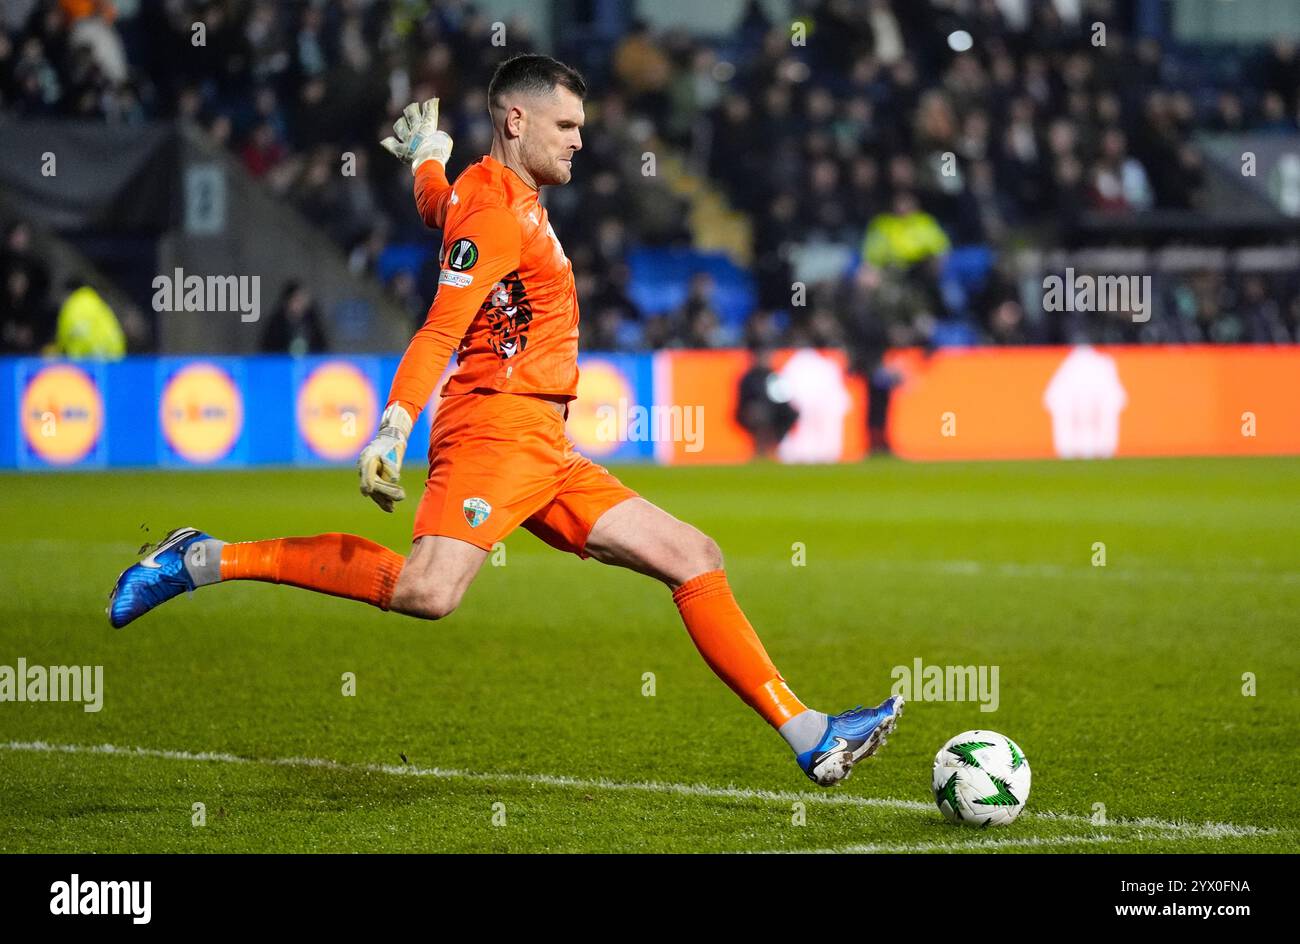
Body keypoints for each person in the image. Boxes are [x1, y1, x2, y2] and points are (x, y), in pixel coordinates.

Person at [107, 55, 900, 787]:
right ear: (516, 121)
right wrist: (391, 429)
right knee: (427, 592)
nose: (581, 143)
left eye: (583, 129)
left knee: (693, 555)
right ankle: (203, 558)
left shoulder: (489, 196)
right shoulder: (497, 213)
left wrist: (426, 157)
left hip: (542, 442)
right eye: (567, 127)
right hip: (494, 429)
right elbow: (439, 328)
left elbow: (438, 210)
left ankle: (811, 735)